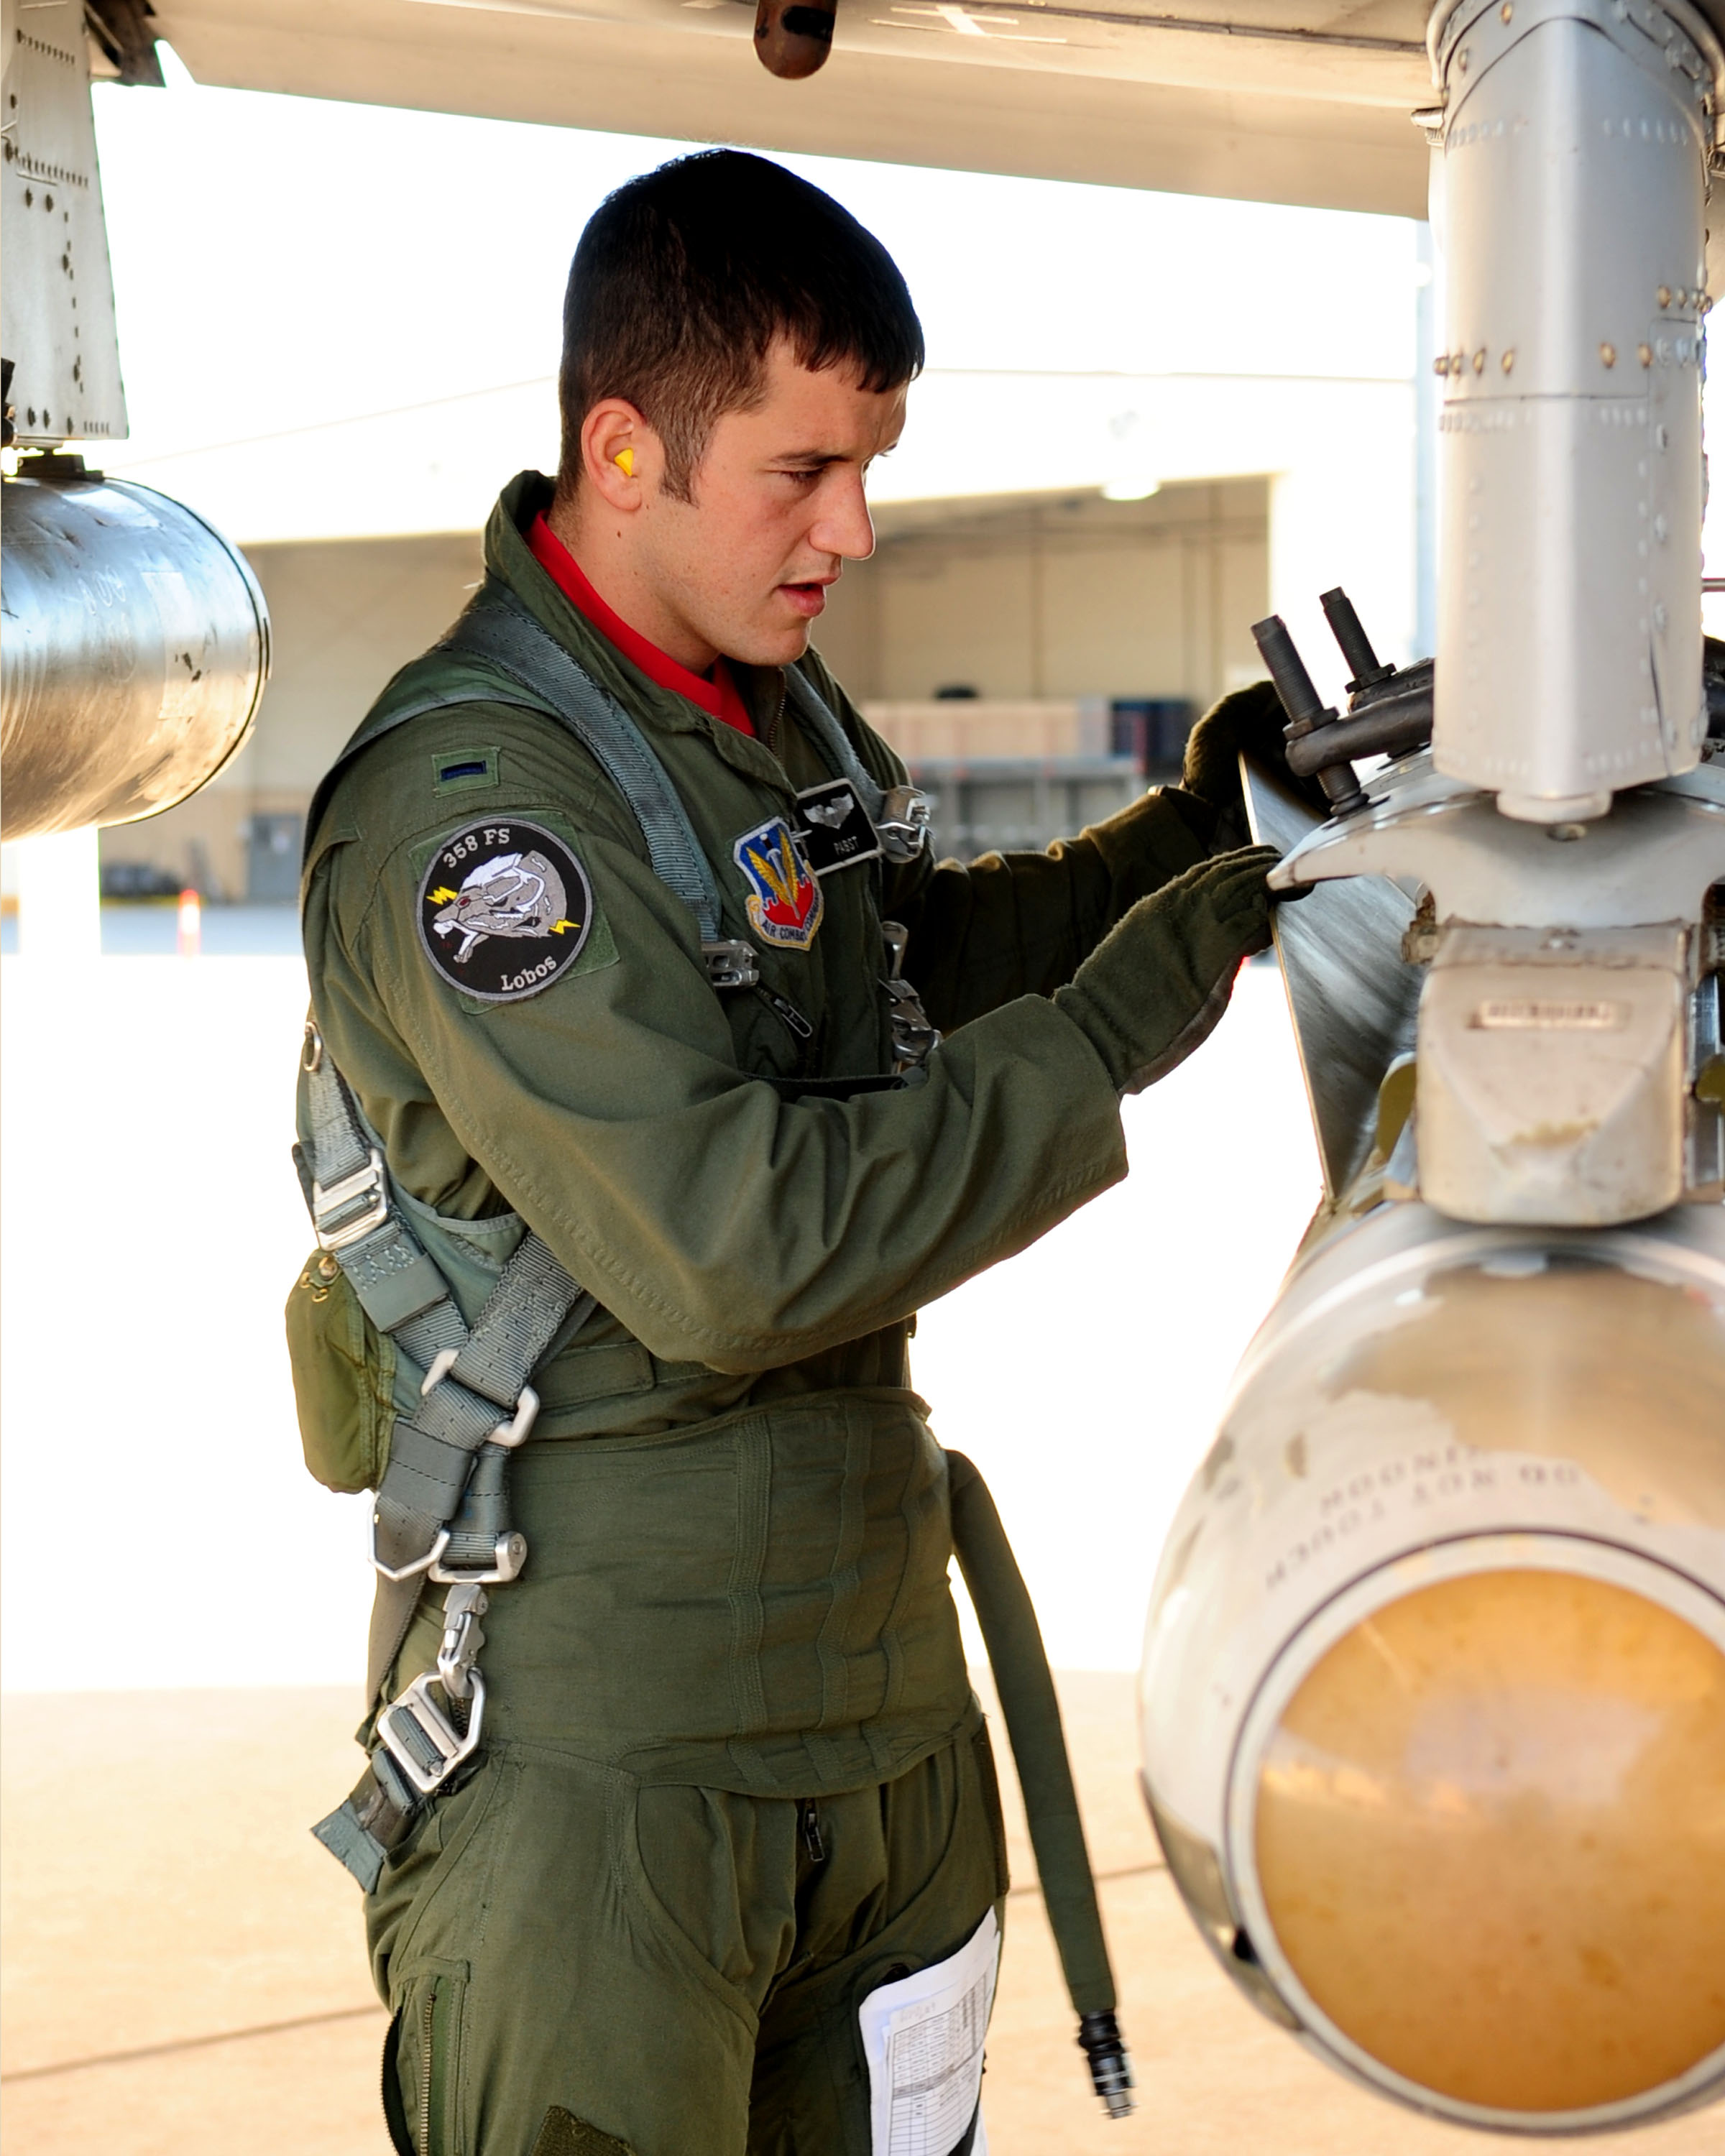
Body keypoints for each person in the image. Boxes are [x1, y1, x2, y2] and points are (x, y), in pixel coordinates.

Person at [289, 147, 1289, 2156]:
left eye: (873, 465)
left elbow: (897, 983)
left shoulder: (759, 712)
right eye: (801, 470)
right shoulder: (484, 817)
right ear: (625, 445)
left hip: (872, 1700)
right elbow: (729, 1250)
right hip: (621, 1767)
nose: (853, 527)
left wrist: (1204, 828)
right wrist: (1110, 1036)